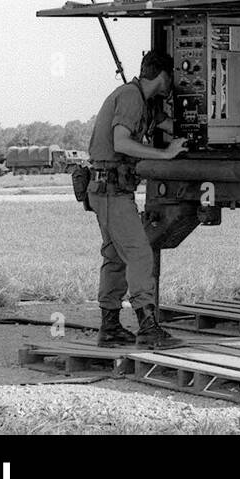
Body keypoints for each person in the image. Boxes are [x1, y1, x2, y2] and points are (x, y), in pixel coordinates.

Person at [87, 51, 187, 347]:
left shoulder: (143, 102)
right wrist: (165, 154)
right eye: (174, 79)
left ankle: (110, 327)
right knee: (140, 254)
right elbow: (121, 141)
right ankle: (147, 326)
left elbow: (168, 126)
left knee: (115, 258)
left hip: (109, 190)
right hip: (111, 191)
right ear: (164, 76)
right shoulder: (130, 97)